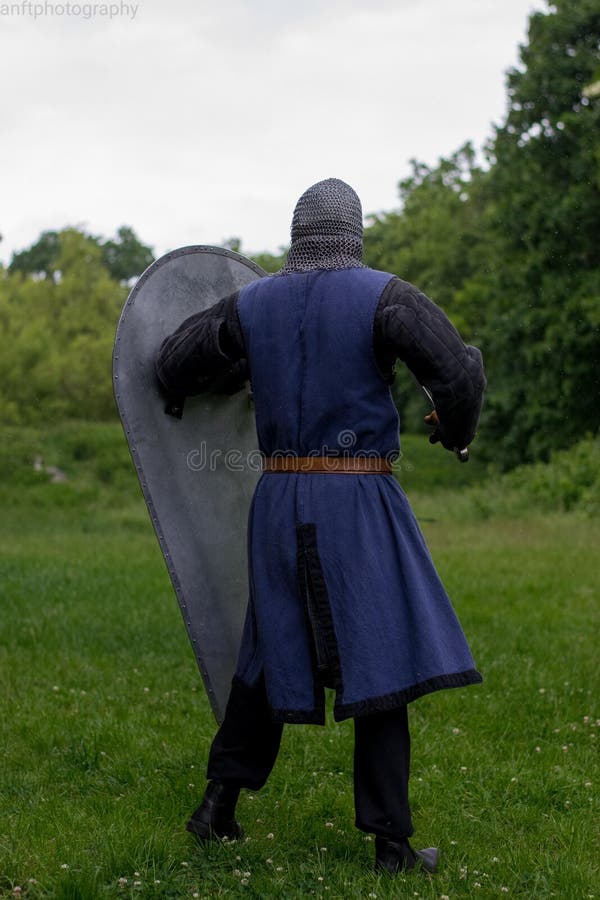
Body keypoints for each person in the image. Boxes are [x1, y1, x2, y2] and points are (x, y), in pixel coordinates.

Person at [155, 178, 486, 874]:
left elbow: (175, 360)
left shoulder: (253, 304)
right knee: (382, 653)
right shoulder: (384, 297)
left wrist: (216, 380)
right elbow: (455, 372)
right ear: (352, 233)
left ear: (298, 234)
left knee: (267, 653)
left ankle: (217, 807)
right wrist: (453, 428)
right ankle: (391, 846)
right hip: (356, 497)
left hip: (277, 499)